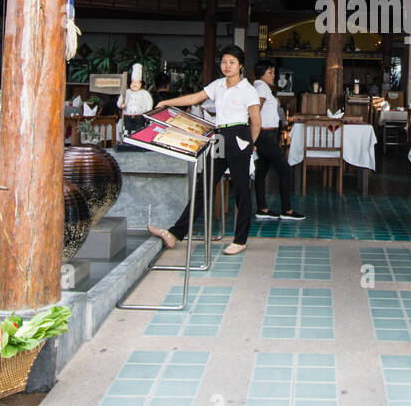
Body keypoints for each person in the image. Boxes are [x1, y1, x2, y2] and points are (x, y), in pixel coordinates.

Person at [147, 45, 259, 256]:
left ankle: (240, 240)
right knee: (203, 186)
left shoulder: (248, 90)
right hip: (218, 136)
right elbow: (193, 99)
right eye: (224, 62)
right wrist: (165, 103)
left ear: (241, 65)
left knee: (242, 190)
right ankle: (174, 233)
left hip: (239, 136)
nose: (227, 66)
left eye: (232, 62)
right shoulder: (218, 85)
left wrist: (248, 146)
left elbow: (257, 122)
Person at [251, 58, 305, 222]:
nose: (274, 75)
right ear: (262, 74)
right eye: (271, 72)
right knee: (284, 169)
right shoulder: (260, 87)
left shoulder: (261, 87)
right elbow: (255, 110)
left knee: (261, 171)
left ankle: (262, 208)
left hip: (267, 135)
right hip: (265, 135)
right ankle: (286, 210)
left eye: (273, 72)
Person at [118, 62, 154, 133]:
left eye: (137, 83)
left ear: (140, 84)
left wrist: (148, 112)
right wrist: (121, 105)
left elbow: (149, 103)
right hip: (127, 115)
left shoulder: (145, 93)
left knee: (139, 130)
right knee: (127, 129)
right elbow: (120, 101)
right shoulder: (126, 92)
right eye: (133, 82)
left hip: (140, 116)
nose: (135, 84)